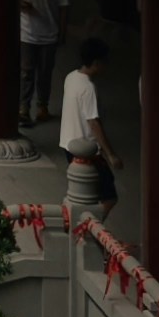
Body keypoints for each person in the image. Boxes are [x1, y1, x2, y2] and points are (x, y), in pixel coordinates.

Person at [62, 38, 117, 225]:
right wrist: (110, 154)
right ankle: (88, 229)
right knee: (109, 196)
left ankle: (79, 226)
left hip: (68, 144)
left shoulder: (71, 77)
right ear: (96, 63)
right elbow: (94, 123)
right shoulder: (88, 87)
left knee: (84, 194)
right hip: (88, 151)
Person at [16, 0, 71, 136]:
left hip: (49, 33)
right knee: (26, 72)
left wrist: (62, 32)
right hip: (27, 32)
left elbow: (63, 8)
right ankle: (24, 107)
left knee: (45, 73)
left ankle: (42, 106)